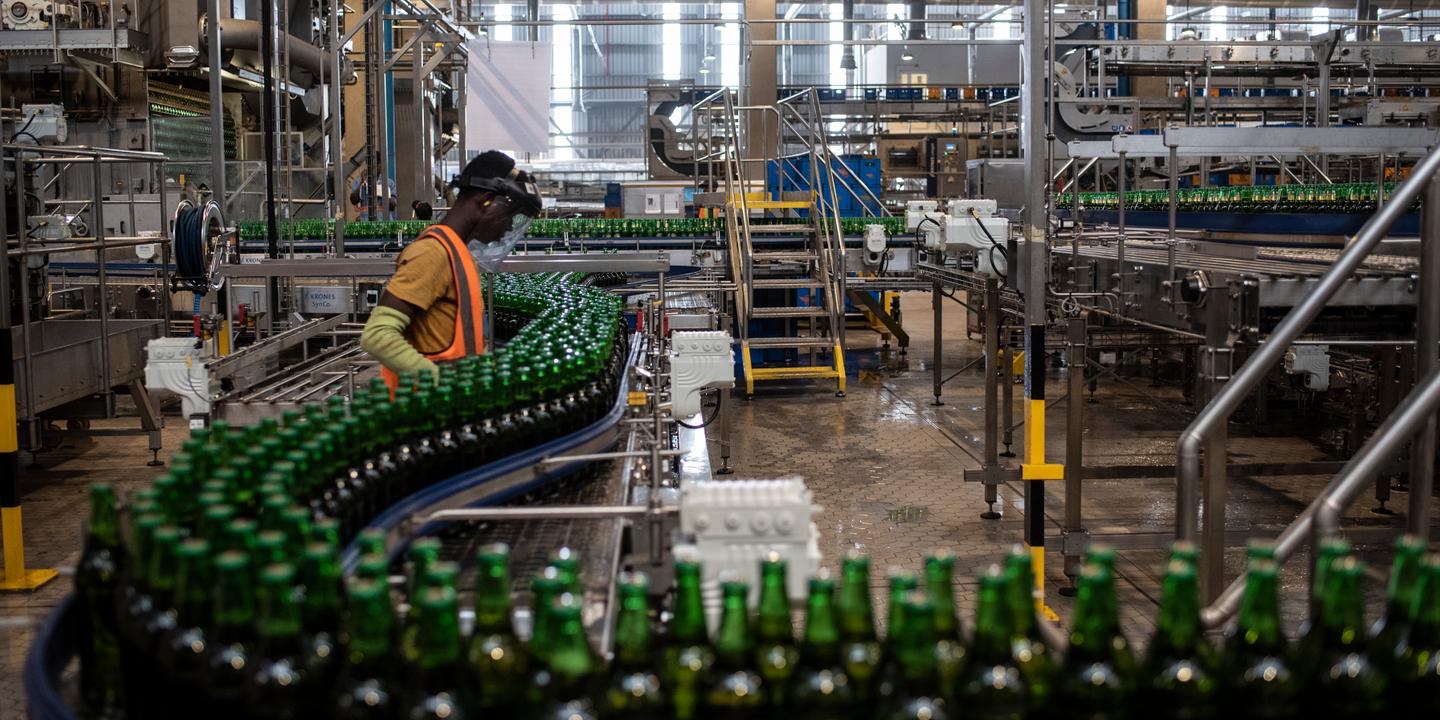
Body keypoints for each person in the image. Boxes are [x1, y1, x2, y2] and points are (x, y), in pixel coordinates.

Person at [360, 151, 541, 391]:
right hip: (426, 410)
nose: (508, 227)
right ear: (486, 201)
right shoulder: (433, 254)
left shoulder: (458, 253)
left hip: (449, 410)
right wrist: (444, 384)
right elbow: (377, 335)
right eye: (509, 217)